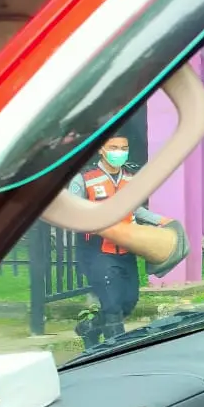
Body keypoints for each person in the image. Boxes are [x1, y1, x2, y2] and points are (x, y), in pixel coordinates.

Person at [67, 136, 172, 349]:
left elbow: (136, 209)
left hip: (126, 249)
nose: (119, 152)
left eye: (124, 148)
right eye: (113, 147)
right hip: (97, 252)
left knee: (129, 302)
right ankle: (117, 351)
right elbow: (72, 212)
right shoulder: (84, 179)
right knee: (112, 306)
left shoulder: (130, 178)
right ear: (101, 149)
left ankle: (89, 327)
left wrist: (162, 221)